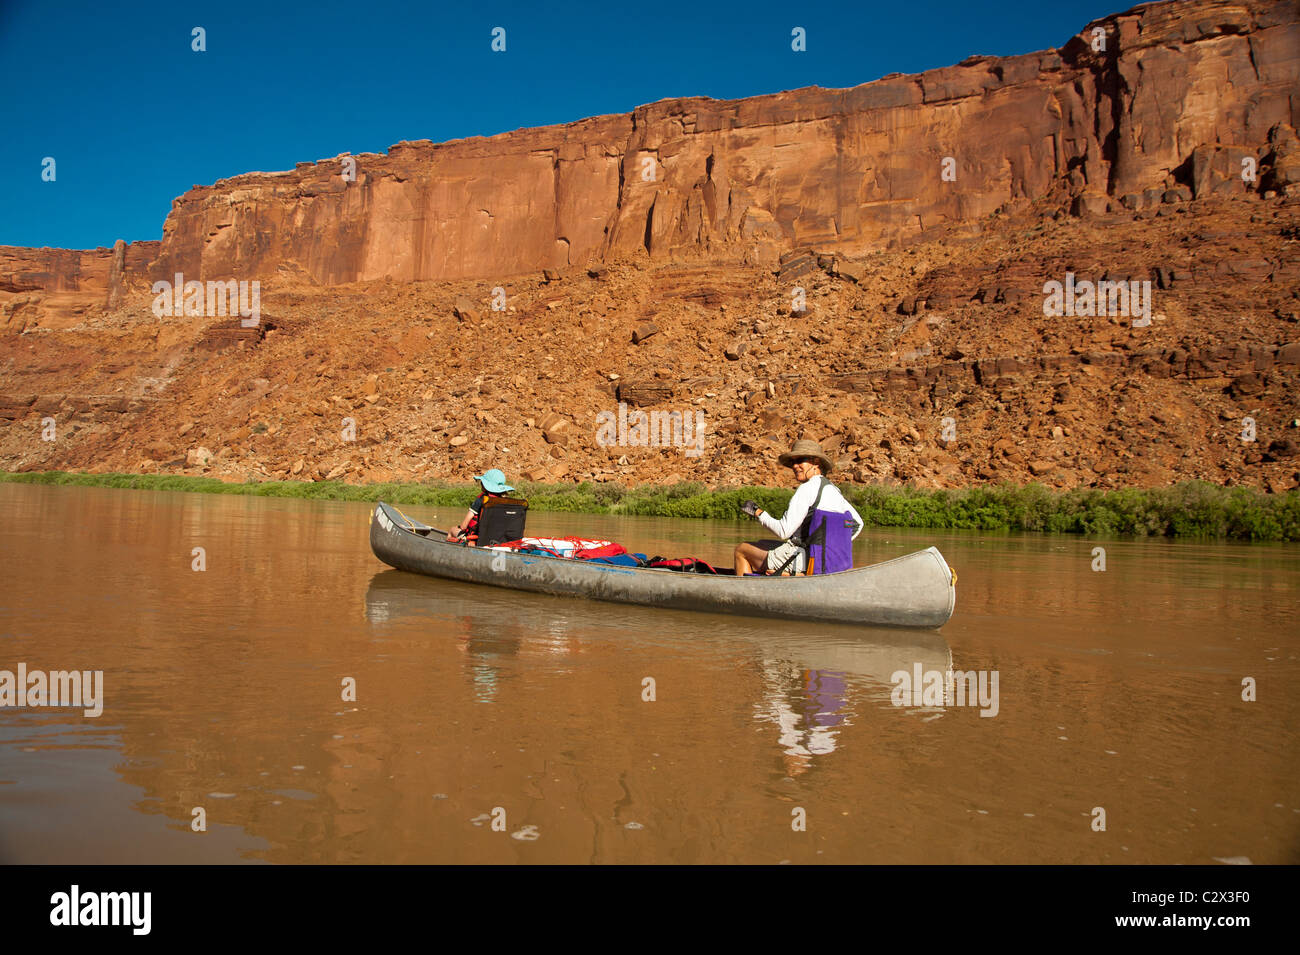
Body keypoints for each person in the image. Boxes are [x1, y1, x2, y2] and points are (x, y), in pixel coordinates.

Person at [734, 439, 863, 575]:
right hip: (826, 560)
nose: (795, 466)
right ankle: (783, 574)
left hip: (804, 559)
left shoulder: (806, 488)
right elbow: (858, 524)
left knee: (742, 550)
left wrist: (758, 513)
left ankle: (747, 591)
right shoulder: (833, 490)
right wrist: (831, 548)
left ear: (816, 462)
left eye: (800, 460)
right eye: (792, 463)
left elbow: (784, 531)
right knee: (761, 543)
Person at [447, 468, 516, 545]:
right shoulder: (505, 502)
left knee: (452, 530)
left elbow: (463, 527)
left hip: (478, 539)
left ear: (485, 485)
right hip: (499, 539)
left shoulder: (481, 500)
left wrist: (459, 528)